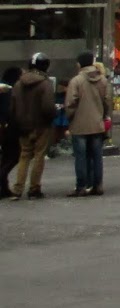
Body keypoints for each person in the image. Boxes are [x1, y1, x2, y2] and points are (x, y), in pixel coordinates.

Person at [9, 53, 57, 199]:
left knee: (24, 156)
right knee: (38, 156)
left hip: (23, 126)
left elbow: (12, 107)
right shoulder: (45, 84)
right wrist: (51, 117)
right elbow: (48, 107)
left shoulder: (18, 84)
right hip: (41, 126)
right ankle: (34, 188)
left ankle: (18, 189)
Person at [63, 51, 111, 198]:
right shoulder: (103, 80)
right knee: (97, 155)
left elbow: (70, 103)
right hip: (97, 123)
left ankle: (81, 186)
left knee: (81, 157)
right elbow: (108, 100)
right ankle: (98, 185)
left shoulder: (76, 81)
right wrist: (103, 115)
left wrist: (70, 117)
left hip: (79, 124)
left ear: (79, 64)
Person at [1, 66, 23, 198]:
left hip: (4, 126)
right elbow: (9, 110)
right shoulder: (9, 91)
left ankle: (3, 187)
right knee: (12, 157)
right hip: (9, 128)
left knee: (6, 157)